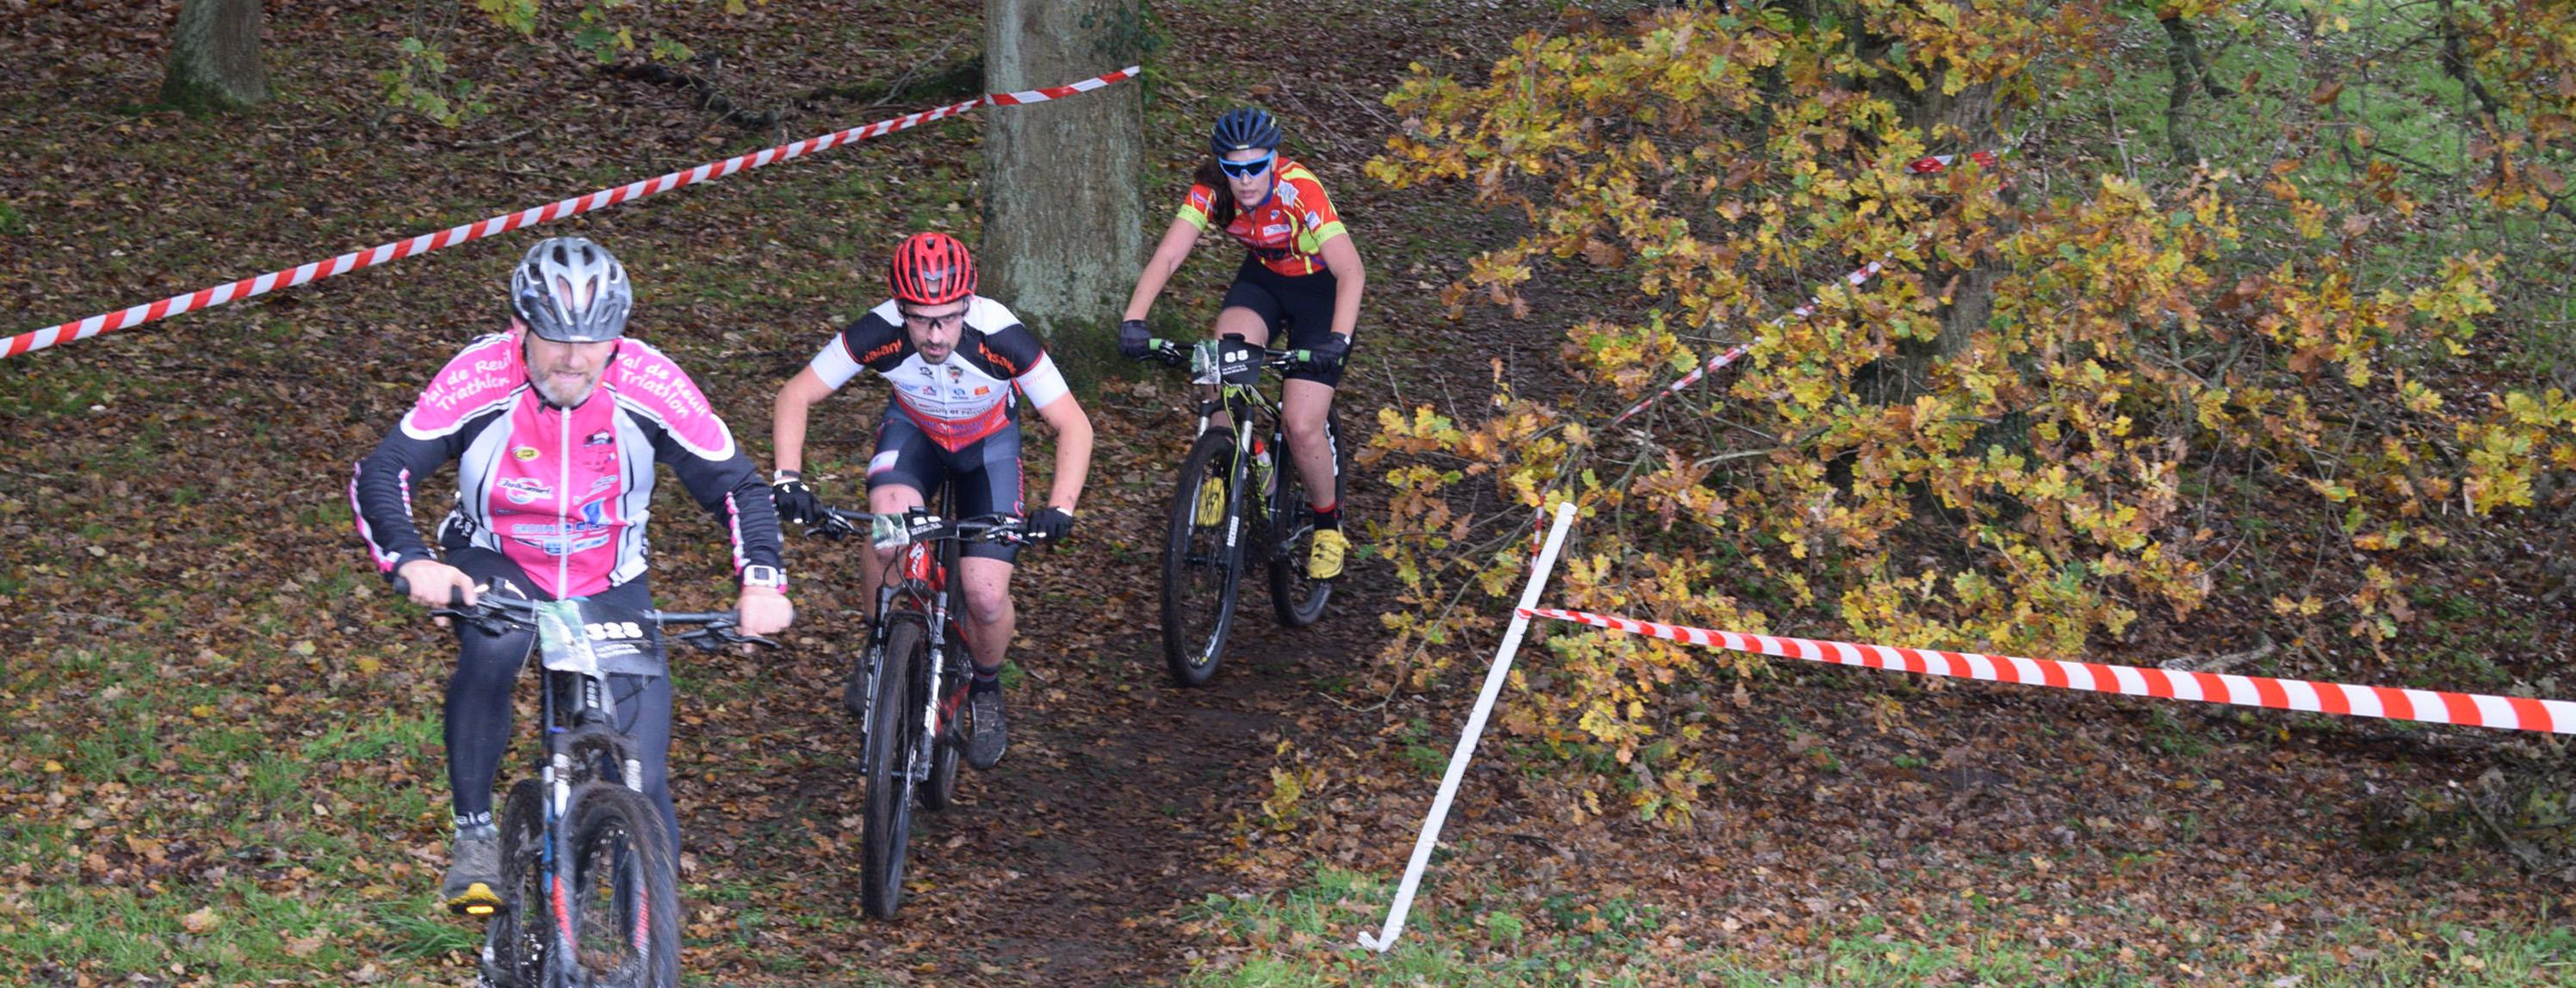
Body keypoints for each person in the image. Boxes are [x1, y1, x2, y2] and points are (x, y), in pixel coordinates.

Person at [349, 236, 795, 914]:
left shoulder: (649, 382)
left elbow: (737, 486)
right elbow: (385, 471)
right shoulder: (480, 375)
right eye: (556, 338)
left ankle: (649, 944)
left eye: (596, 340)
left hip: (607, 575)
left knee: (641, 776)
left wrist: (762, 581)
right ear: (520, 329)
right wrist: (412, 560)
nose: (575, 359)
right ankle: (474, 833)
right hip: (496, 557)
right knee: (496, 643)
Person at [769, 232, 1093, 771]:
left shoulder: (1001, 335)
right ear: (901, 309)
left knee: (985, 594)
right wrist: (788, 477)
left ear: (967, 304)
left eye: (946, 317)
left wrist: (1060, 506)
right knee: (889, 536)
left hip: (987, 446)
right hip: (913, 435)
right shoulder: (879, 331)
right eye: (920, 319)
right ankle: (876, 647)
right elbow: (795, 393)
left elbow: (1072, 424)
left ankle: (986, 691)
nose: (935, 334)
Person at [1117, 107, 1365, 580]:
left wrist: (1340, 337)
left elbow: (1351, 269)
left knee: (1301, 424)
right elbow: (1169, 255)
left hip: (1320, 292)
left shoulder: (1299, 189)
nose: (1246, 180)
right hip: (1264, 282)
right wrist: (1135, 319)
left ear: (1274, 159)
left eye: (1256, 166)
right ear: (1221, 166)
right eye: (1235, 168)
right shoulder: (1211, 191)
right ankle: (1235, 461)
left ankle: (1328, 524)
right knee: (1219, 363)